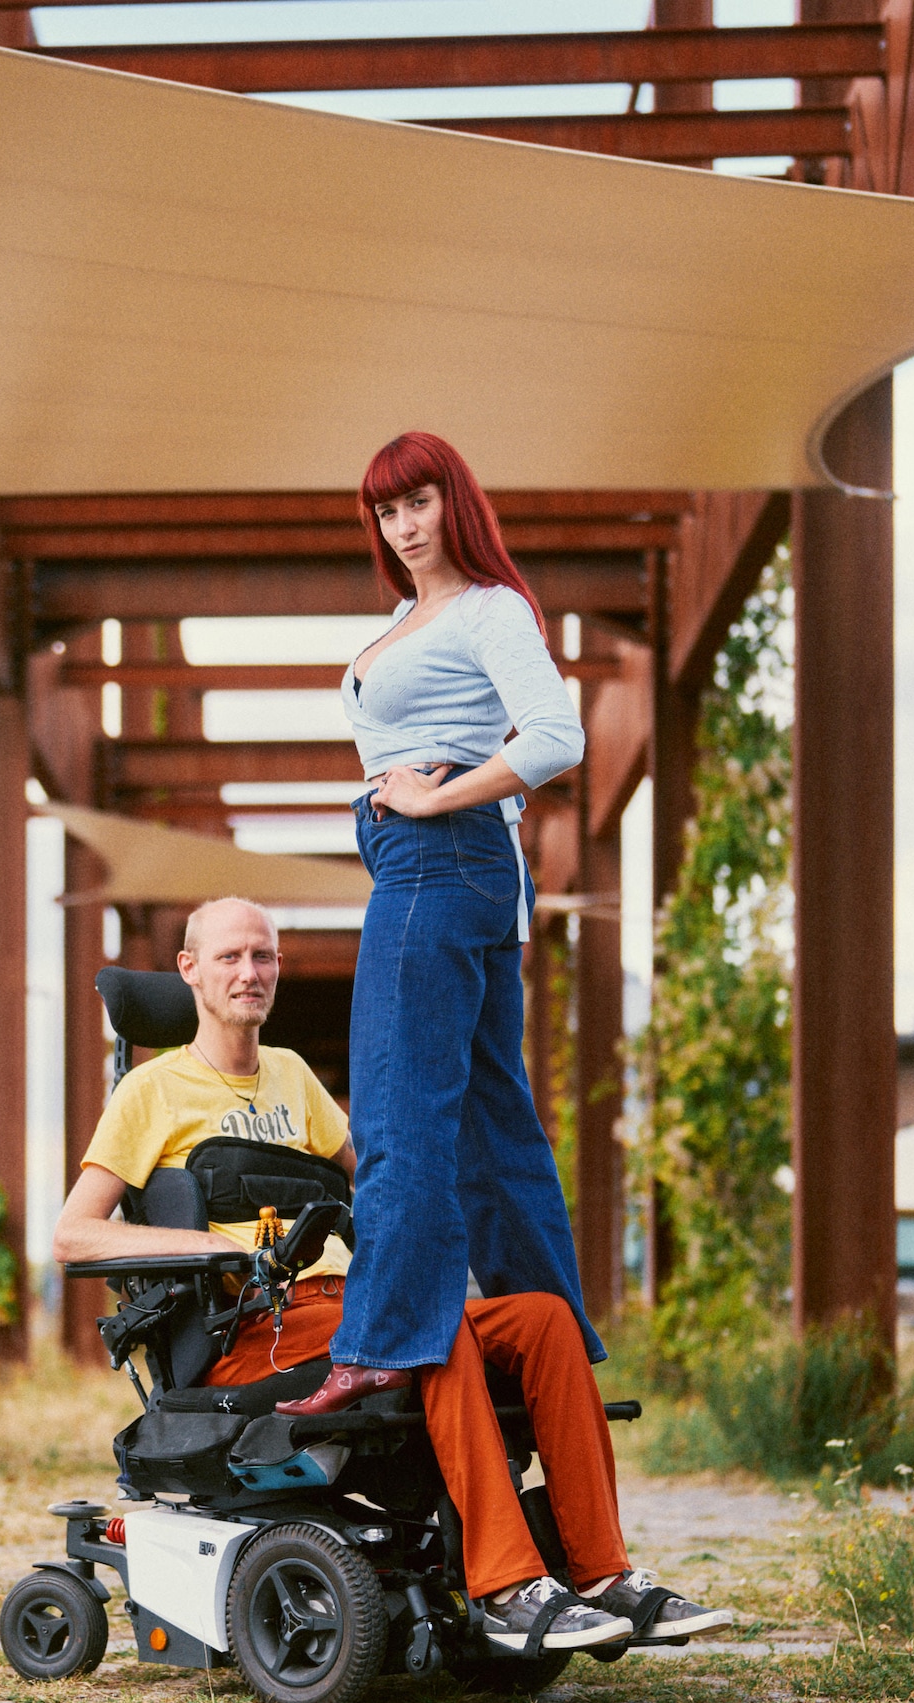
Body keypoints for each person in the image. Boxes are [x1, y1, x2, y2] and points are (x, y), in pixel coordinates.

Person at [54, 895, 729, 1650]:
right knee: (426, 1334)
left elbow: (378, 1180)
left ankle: (604, 1574)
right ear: (190, 972)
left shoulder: (292, 1077)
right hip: (258, 1330)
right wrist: (213, 1252)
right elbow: (73, 1237)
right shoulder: (149, 1093)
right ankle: (505, 1585)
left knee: (543, 1318)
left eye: (264, 956)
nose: (251, 973)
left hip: (358, 1306)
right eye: (230, 957)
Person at [280, 430, 600, 1427]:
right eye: (385, 510)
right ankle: (547, 1335)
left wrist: (438, 797)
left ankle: (379, 1346)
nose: (404, 526)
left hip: (437, 860)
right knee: (488, 1118)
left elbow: (555, 736)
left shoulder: (487, 609)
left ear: (453, 501)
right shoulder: (406, 618)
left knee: (392, 1108)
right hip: (440, 870)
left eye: (418, 502)